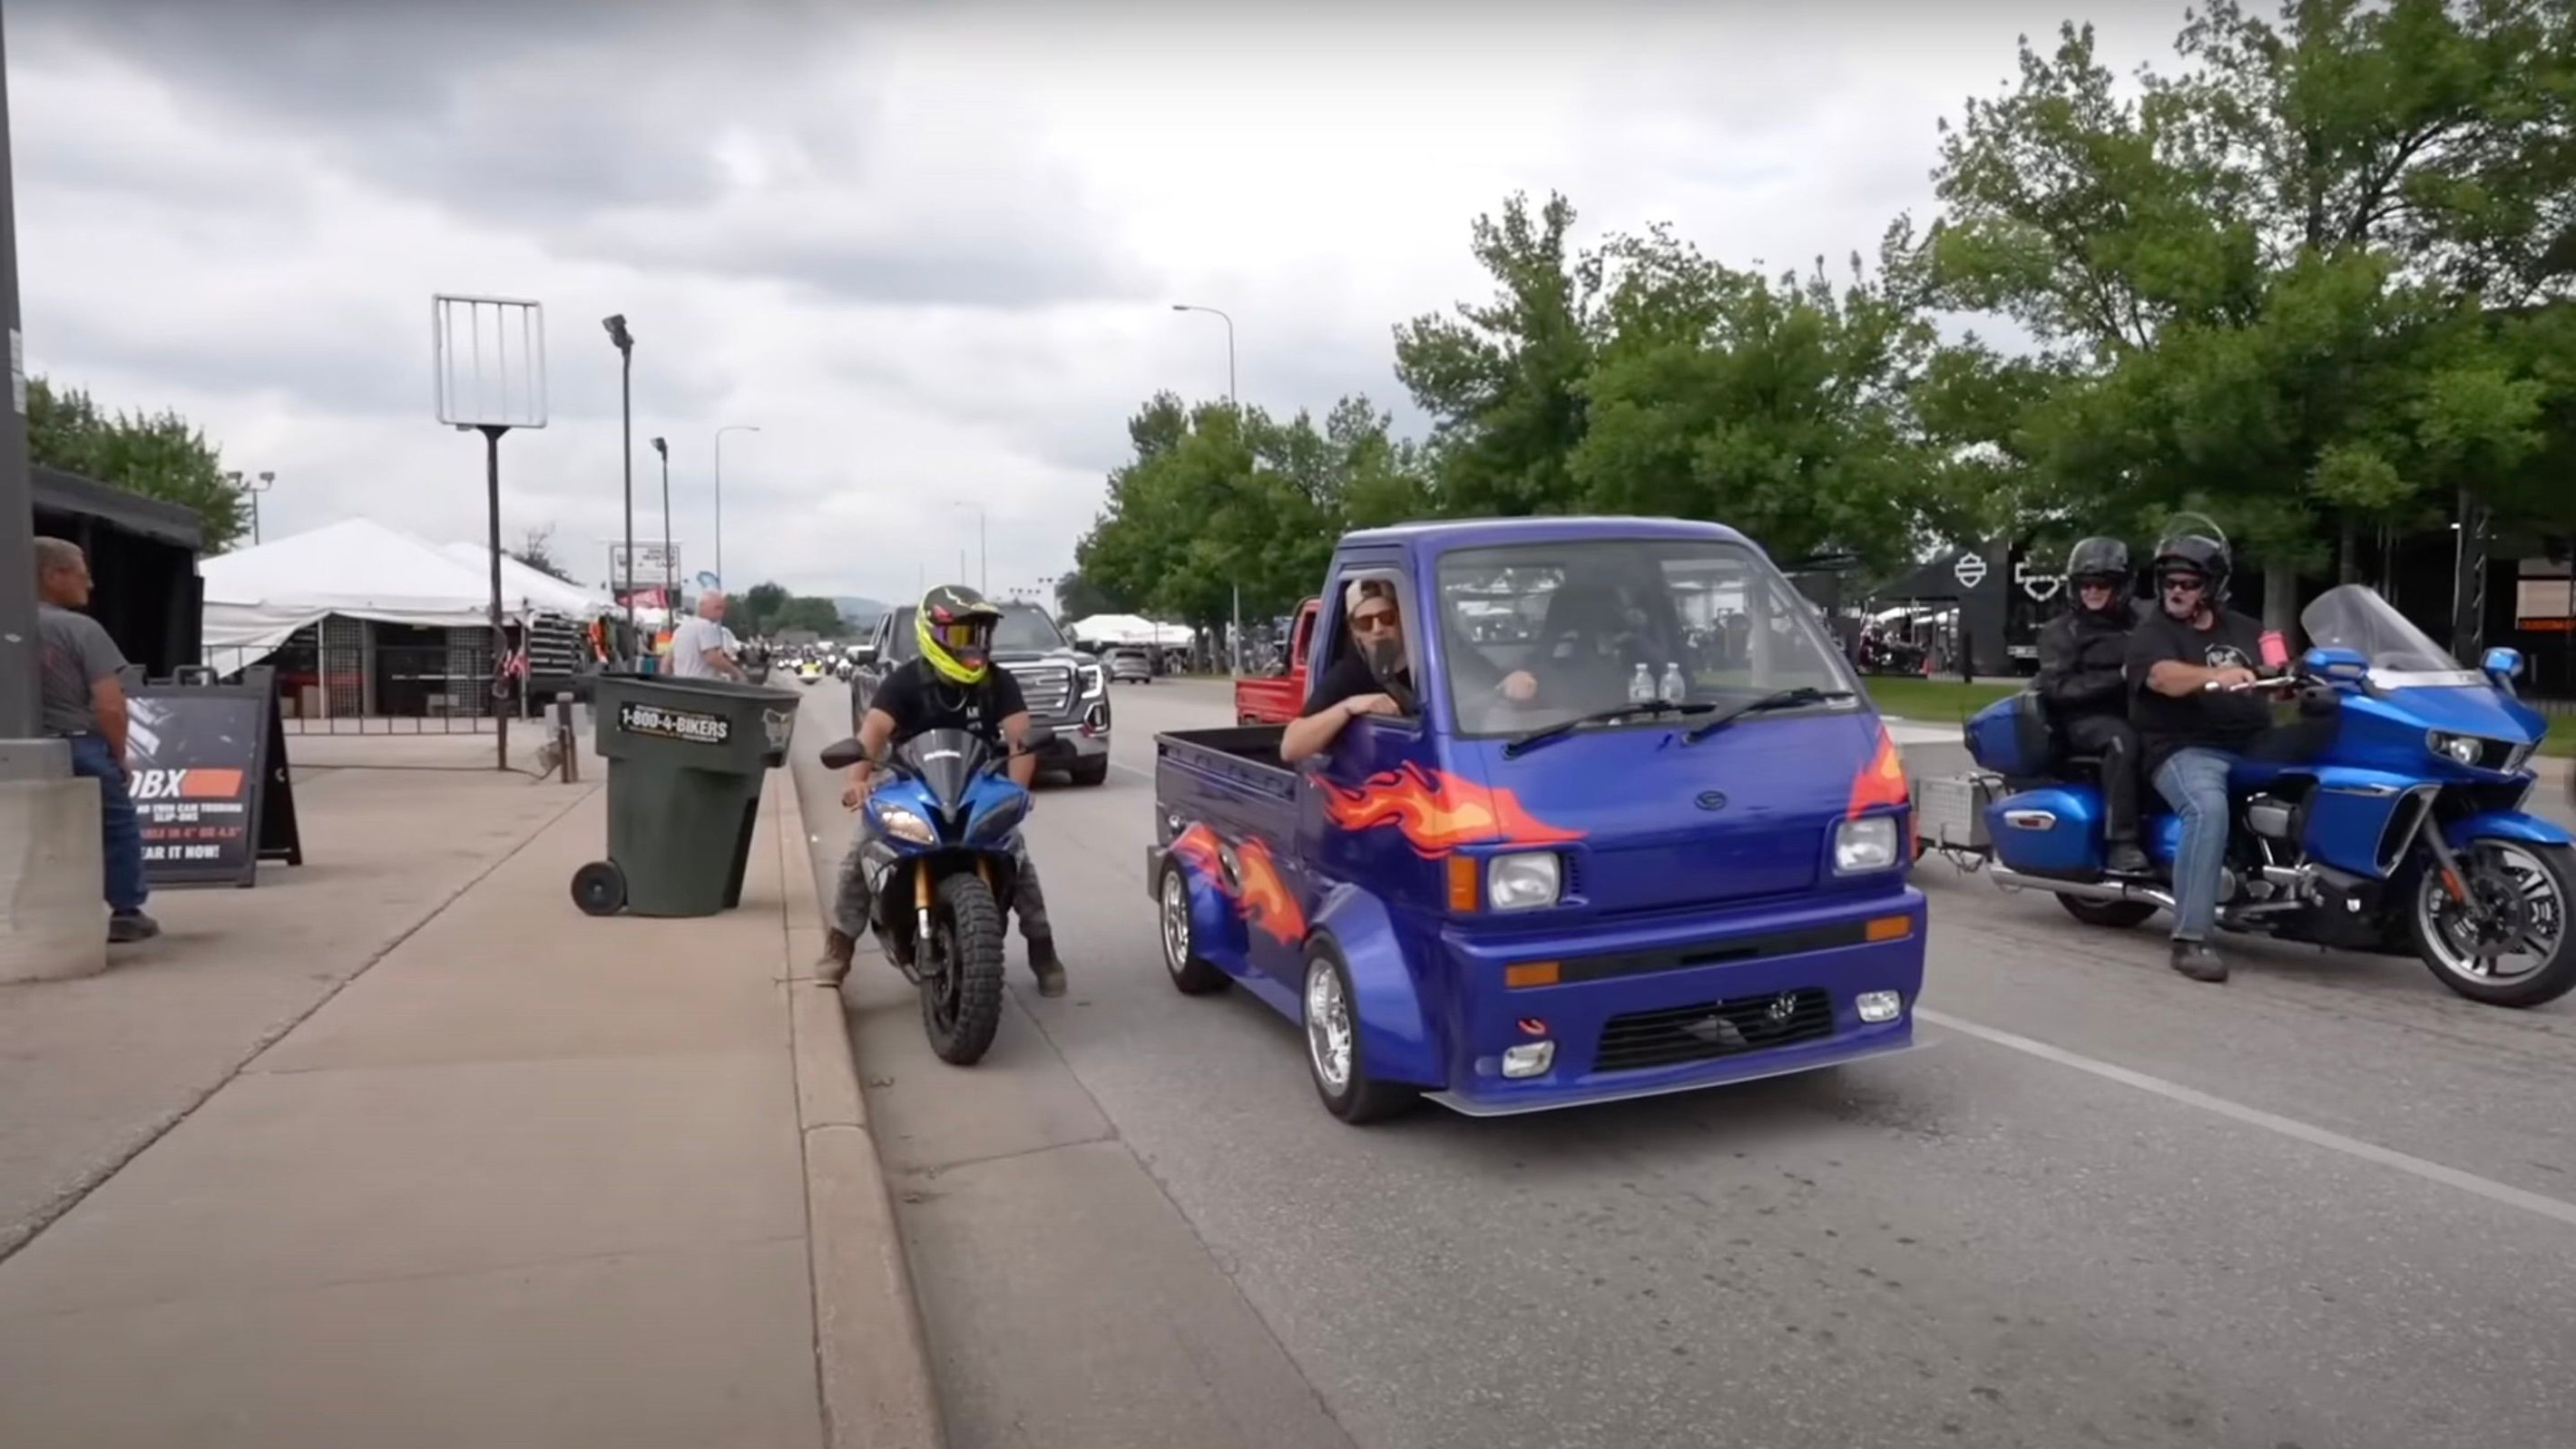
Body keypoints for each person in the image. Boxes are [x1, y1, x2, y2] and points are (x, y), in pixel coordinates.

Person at [820, 584, 1064, 996]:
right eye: (964, 635)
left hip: (976, 781)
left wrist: (1018, 793)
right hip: (909, 782)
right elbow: (873, 733)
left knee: (1016, 855)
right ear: (933, 635)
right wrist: (857, 781)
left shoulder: (998, 682)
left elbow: (1021, 740)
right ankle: (839, 948)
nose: (976, 646)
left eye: (982, 635)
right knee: (859, 853)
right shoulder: (904, 682)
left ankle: (1044, 950)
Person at [2125, 527, 2269, 984]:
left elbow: (2280, 662)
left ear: (2212, 587)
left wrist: (2303, 677)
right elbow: (2162, 678)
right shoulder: (2152, 632)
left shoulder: (2248, 628)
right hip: (2184, 748)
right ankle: (2191, 938)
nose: (2177, 591)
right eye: (2170, 582)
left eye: (2189, 583)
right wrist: (2218, 674)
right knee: (2206, 809)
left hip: (2253, 743)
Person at [33, 537, 160, 944]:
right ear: (54, 576)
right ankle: (125, 910)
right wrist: (119, 754)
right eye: (82, 576)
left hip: (18, 746)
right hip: (78, 743)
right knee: (116, 822)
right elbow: (110, 705)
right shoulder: (80, 630)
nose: (89, 585)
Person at [1283, 579, 1539, 763]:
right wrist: (1350, 706)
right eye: (1365, 622)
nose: (1377, 629)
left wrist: (1516, 682)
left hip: (1464, 766)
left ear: (1402, 618)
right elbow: (1291, 746)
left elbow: (1499, 683)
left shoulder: (1438, 658)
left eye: (1386, 617)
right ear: (1355, 633)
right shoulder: (1351, 672)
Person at [2036, 537, 2150, 876]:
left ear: (2122, 585)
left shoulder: (2143, 621)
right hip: (2083, 719)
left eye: (2102, 584)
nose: (2092, 592)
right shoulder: (2062, 631)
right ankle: (2121, 842)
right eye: (2085, 585)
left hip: (2139, 710)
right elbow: (2057, 688)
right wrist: (2120, 677)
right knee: (2122, 741)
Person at [668, 592, 743, 680]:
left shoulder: (680, 630)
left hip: (682, 685)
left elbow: (666, 662)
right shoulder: (706, 626)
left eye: (722, 609)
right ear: (704, 607)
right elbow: (712, 658)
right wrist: (734, 672)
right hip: (703, 685)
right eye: (718, 608)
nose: (721, 613)